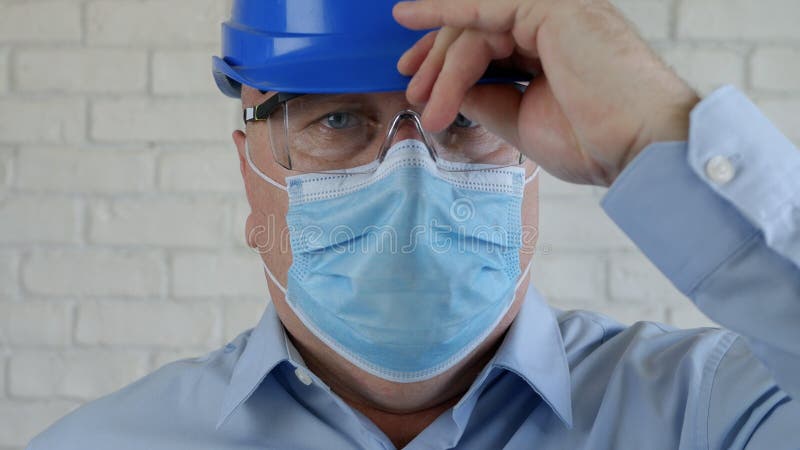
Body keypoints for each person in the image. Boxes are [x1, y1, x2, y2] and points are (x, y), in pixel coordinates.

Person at [28, 0, 800, 449]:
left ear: (532, 153)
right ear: (249, 166)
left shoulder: (712, 413)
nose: (409, 174)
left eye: (463, 116)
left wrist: (656, 133)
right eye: (334, 119)